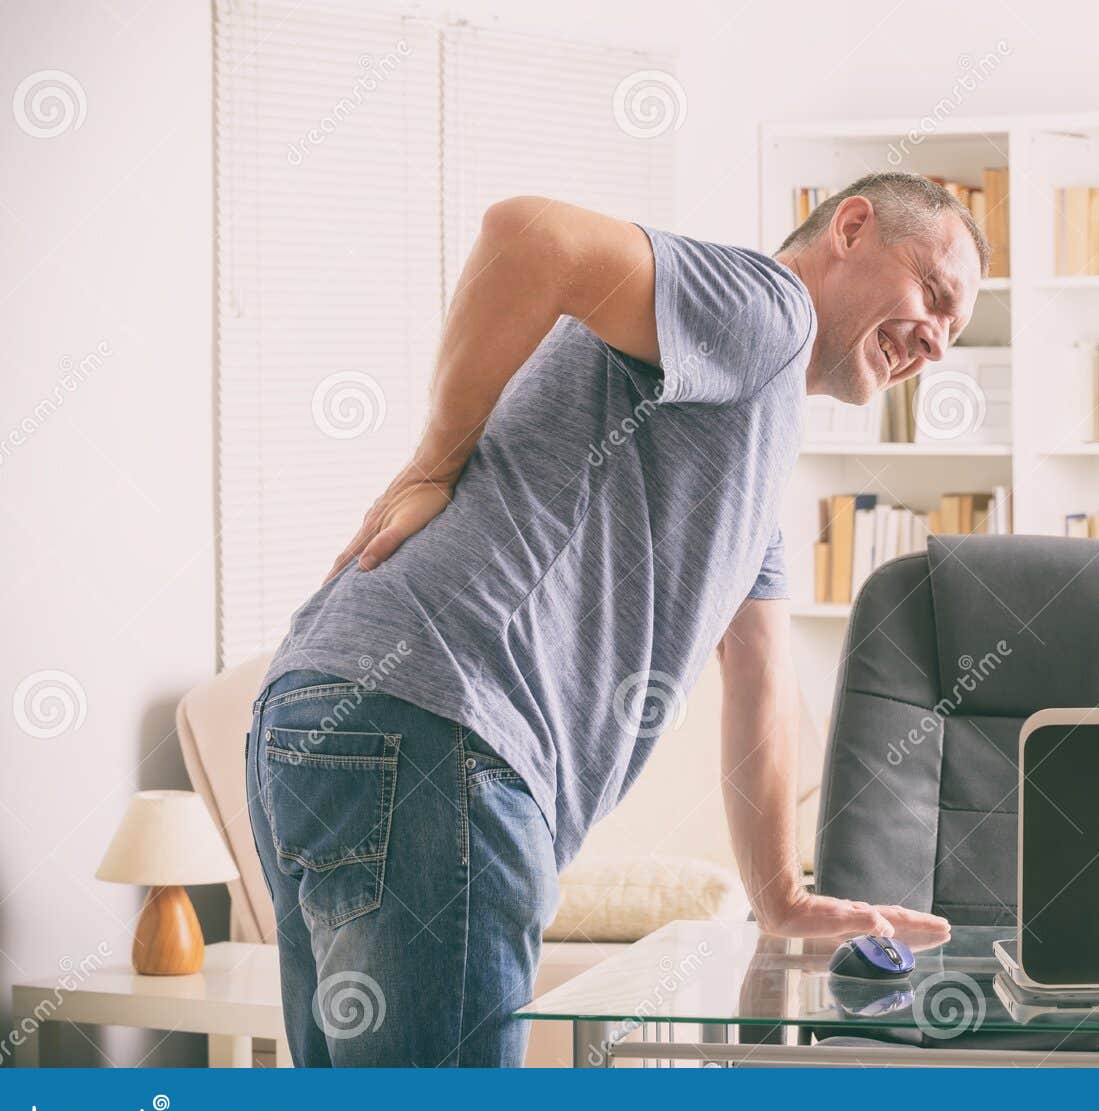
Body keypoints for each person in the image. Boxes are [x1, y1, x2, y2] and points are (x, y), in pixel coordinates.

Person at [245, 171, 988, 1065]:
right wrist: (431, 465)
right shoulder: (772, 312)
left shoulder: (750, 460)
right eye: (934, 296)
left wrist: (781, 895)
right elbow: (528, 235)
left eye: (955, 330)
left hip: (331, 714)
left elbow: (760, 688)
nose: (936, 343)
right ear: (853, 229)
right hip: (443, 729)